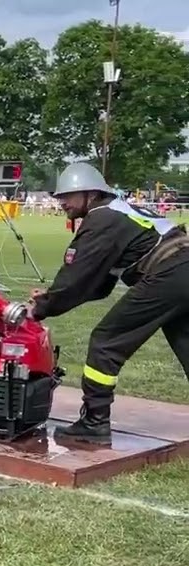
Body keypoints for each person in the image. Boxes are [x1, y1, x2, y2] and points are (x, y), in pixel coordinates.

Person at [30, 161, 189, 443]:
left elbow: (75, 277)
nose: (61, 202)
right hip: (181, 267)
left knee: (106, 342)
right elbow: (99, 286)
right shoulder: (119, 212)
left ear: (91, 194)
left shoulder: (101, 219)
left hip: (169, 272)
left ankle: (94, 423)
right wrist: (51, 298)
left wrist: (42, 307)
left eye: (67, 195)